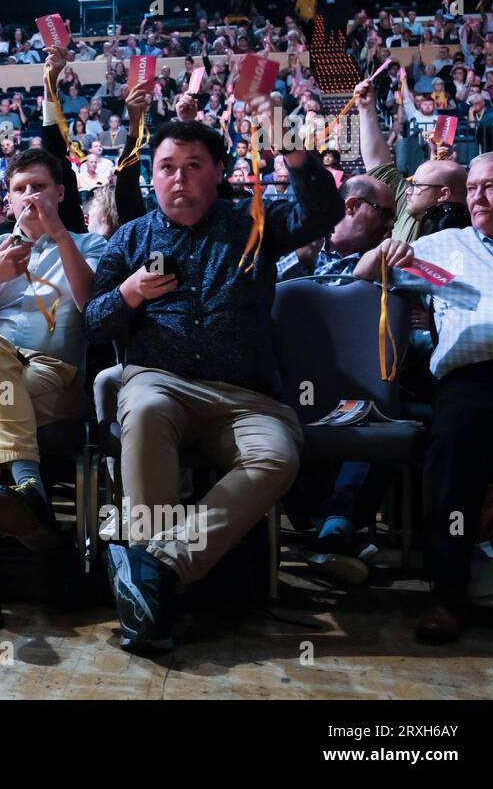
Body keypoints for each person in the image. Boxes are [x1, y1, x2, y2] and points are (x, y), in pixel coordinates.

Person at [83, 109, 344, 653]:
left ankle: (155, 572)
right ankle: (156, 598)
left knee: (276, 456)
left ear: (218, 171)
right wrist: (130, 292)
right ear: (151, 175)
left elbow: (321, 213)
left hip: (246, 398)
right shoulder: (131, 237)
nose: (178, 178)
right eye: (167, 167)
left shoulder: (254, 223)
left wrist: (293, 150)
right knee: (148, 408)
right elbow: (92, 322)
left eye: (193, 166)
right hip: (160, 382)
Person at [353, 151, 493, 643]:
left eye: (492, 187)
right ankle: (448, 595)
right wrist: (384, 254)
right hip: (475, 377)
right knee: (453, 456)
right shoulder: (446, 244)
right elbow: (361, 274)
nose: (478, 197)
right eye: (474, 187)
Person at [0, 149, 106, 630]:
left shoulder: (90, 243)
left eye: (39, 187)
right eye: (20, 189)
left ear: (60, 193)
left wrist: (58, 235)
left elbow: (94, 311)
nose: (30, 196)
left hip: (54, 376)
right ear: (8, 200)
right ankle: (28, 484)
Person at [357, 80, 467, 243]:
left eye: (416, 186)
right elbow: (379, 166)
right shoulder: (408, 208)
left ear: (443, 194)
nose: (409, 190)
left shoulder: (472, 232)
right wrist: (366, 109)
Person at [276, 175, 395, 282]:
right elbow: (261, 287)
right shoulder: (292, 234)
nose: (390, 224)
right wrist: (300, 259)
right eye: (385, 214)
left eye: (393, 218)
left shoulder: (382, 261)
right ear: (352, 206)